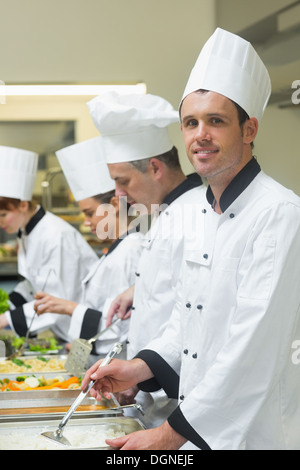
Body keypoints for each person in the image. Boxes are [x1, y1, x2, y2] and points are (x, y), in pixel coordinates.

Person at [81, 28, 300, 450]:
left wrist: (167, 435)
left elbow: (250, 351)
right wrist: (140, 367)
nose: (200, 134)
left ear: (249, 129)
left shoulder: (279, 214)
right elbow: (187, 318)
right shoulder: (200, 209)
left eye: (216, 121)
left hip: (254, 434)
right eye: (191, 122)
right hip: (201, 426)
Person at [87, 92, 203, 426]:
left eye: (122, 181)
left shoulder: (193, 216)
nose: (117, 196)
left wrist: (141, 374)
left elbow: (193, 317)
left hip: (178, 404)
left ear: (154, 168)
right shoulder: (167, 214)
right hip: (153, 394)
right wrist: (137, 291)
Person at [33, 137, 143, 357]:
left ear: (114, 205)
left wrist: (68, 308)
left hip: (119, 372)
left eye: (89, 213)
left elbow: (120, 327)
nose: (86, 222)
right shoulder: (114, 252)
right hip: (98, 365)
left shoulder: (132, 249)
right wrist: (74, 358)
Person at [0, 145, 97, 341]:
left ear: (23, 205)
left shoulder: (55, 235)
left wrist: (5, 319)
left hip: (83, 335)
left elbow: (57, 301)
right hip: (65, 332)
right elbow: (35, 283)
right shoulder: (27, 232)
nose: (0, 221)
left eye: (3, 214)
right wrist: (9, 304)